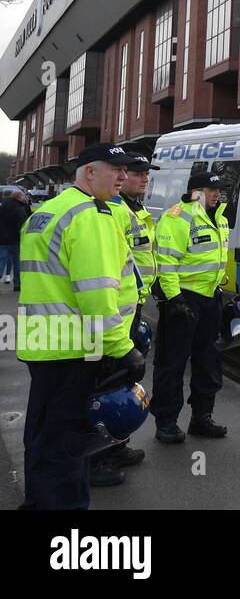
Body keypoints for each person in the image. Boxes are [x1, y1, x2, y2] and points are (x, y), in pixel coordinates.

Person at [18, 143, 143, 509]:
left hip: (44, 343)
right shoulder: (90, 216)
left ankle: (38, 502)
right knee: (70, 445)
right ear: (89, 172)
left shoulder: (48, 211)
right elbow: (97, 295)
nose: (123, 176)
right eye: (114, 169)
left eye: (124, 170)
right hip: (75, 347)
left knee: (43, 437)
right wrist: (123, 349)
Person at [88, 153, 160, 486]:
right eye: (137, 173)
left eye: (147, 174)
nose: (144, 178)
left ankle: (116, 445)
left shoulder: (135, 212)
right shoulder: (110, 211)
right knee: (101, 387)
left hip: (131, 308)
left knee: (120, 385)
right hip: (110, 313)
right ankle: (96, 458)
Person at [151, 172, 231, 443]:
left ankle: (202, 417)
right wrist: (174, 300)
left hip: (210, 298)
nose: (216, 194)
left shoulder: (219, 217)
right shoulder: (177, 217)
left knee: (209, 360)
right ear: (195, 192)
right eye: (211, 189)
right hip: (183, 298)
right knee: (172, 363)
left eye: (218, 189)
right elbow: (166, 263)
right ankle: (166, 422)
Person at [0, 187, 32, 290]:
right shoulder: (19, 209)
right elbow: (22, 226)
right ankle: (17, 284)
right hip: (16, 240)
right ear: (19, 198)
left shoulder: (1, 207)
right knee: (17, 262)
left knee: (1, 261)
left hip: (2, 240)